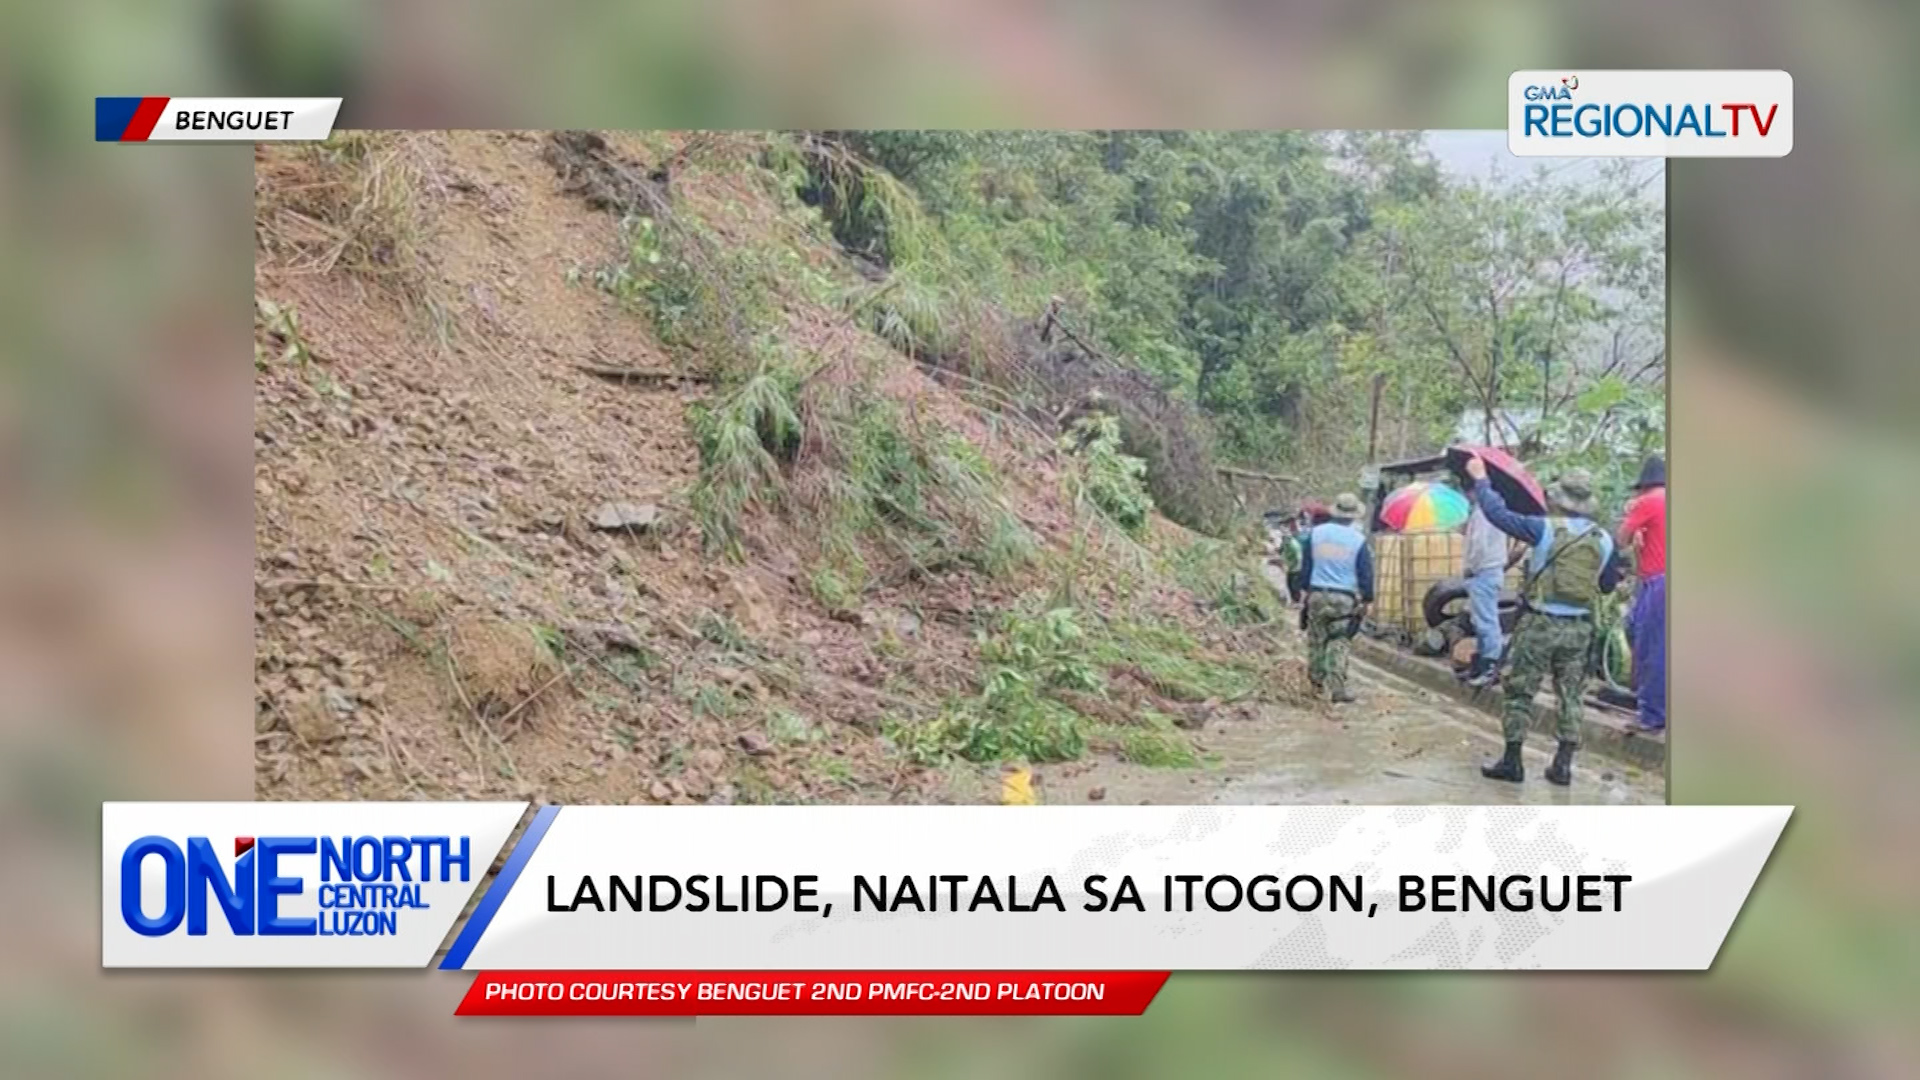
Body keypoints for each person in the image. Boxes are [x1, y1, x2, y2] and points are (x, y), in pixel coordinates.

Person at [1464, 457, 1625, 785]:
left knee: (1521, 691)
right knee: (1571, 695)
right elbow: (1607, 585)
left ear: (1559, 498)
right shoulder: (1604, 539)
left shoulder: (1543, 528)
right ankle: (1562, 765)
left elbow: (1498, 515)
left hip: (1540, 623)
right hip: (1579, 629)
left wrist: (1482, 480)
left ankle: (1512, 762)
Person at [1297, 493, 1374, 704]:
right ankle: (1338, 689)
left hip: (1317, 594)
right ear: (1353, 516)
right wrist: (1367, 600)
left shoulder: (1315, 534)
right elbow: (1365, 573)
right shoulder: (1358, 540)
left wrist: (1304, 592)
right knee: (1339, 641)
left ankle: (1315, 686)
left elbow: (1305, 567)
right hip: (1344, 599)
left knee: (1316, 640)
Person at [1618, 455, 1667, 732]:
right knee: (1638, 631)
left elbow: (1621, 538)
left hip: (1659, 582)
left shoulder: (1649, 501)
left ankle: (1652, 715)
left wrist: (1631, 516)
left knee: (1652, 647)